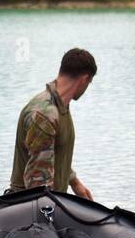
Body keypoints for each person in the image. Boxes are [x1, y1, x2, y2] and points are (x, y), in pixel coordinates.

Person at [9, 48, 96, 200]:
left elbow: (52, 154)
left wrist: (75, 183)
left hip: (51, 200)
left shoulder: (60, 107)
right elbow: (37, 183)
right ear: (84, 79)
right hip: (30, 205)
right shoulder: (45, 115)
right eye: (89, 82)